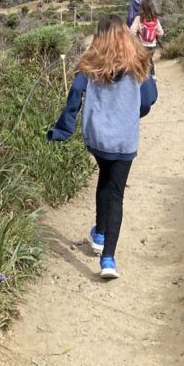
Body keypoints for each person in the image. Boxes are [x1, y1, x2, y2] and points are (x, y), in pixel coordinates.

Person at [46, 15, 157, 279]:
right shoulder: (140, 64)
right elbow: (148, 100)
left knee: (104, 179)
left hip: (97, 139)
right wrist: (130, 115)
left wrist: (62, 129)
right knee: (115, 193)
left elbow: (74, 97)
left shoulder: (89, 65)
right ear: (125, 36)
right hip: (124, 139)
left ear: (99, 36)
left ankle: (99, 233)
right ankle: (107, 258)